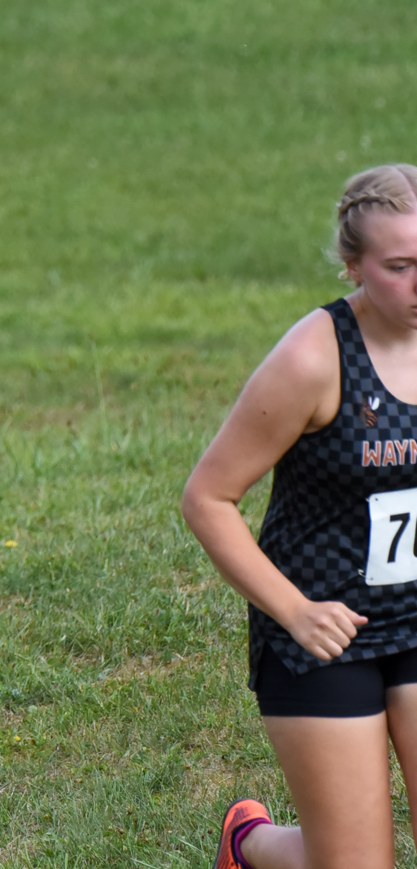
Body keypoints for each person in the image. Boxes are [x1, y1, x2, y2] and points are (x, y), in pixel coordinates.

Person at [184, 165, 417, 869]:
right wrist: (295, 610)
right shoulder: (315, 358)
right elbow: (207, 499)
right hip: (324, 628)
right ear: (354, 266)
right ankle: (248, 846)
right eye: (400, 267)